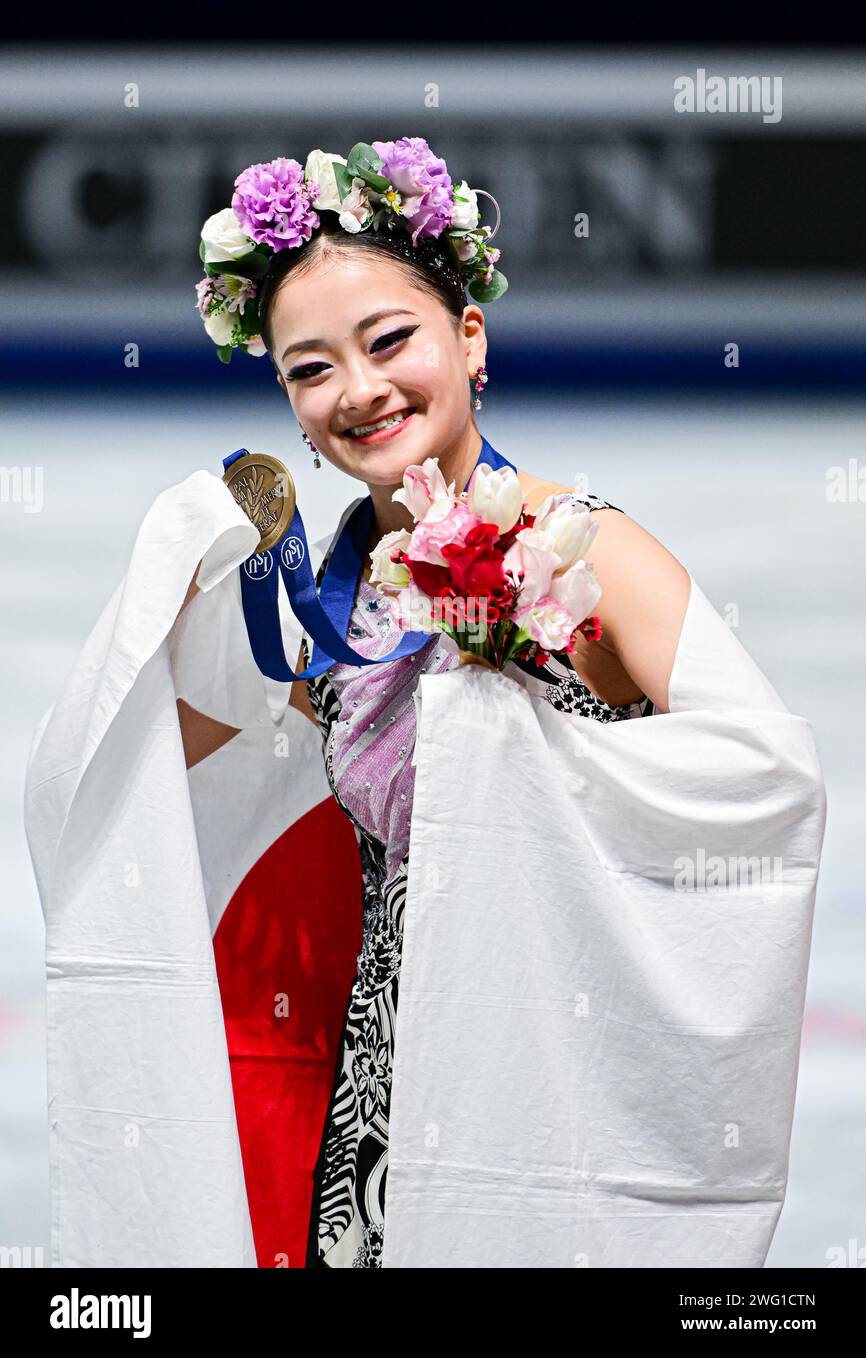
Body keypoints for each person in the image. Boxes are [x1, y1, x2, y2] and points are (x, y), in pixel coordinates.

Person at [25, 137, 826, 1271]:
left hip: (554, 1060)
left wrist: (525, 743)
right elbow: (143, 774)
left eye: (389, 340)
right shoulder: (329, 600)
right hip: (388, 1083)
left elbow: (766, 778)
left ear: (469, 338)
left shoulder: (580, 542)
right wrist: (181, 592)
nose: (358, 389)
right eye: (309, 369)